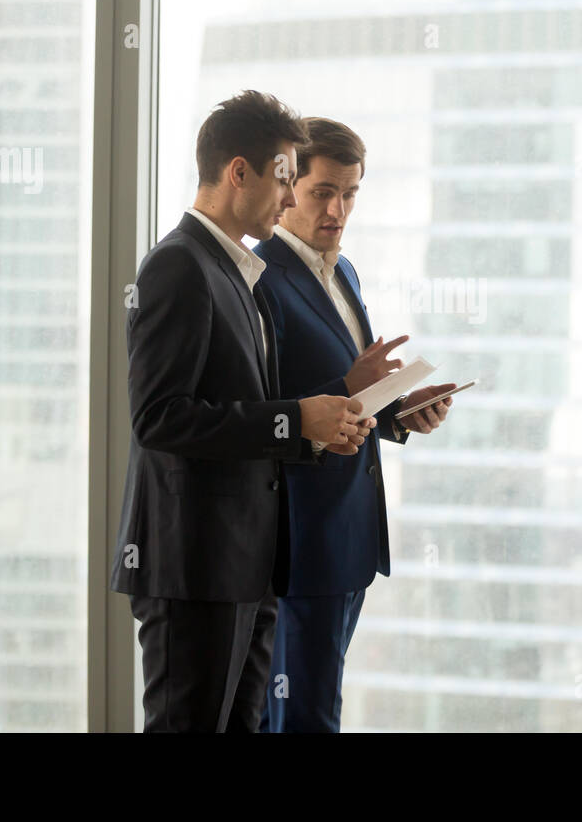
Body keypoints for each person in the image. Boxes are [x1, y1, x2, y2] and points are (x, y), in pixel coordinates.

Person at [110, 92, 375, 732]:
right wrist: (293, 422)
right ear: (238, 173)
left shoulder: (236, 273)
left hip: (244, 565)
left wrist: (314, 431)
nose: (289, 199)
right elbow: (160, 418)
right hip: (194, 564)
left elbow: (245, 411)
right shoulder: (179, 266)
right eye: (286, 178)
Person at [254, 117, 455, 732]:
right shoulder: (259, 279)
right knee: (300, 714)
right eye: (323, 193)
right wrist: (348, 389)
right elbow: (265, 408)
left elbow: (353, 395)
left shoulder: (345, 272)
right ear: (290, 189)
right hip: (299, 536)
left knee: (316, 704)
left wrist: (399, 412)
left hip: (348, 534)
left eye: (350, 194)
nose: (338, 209)